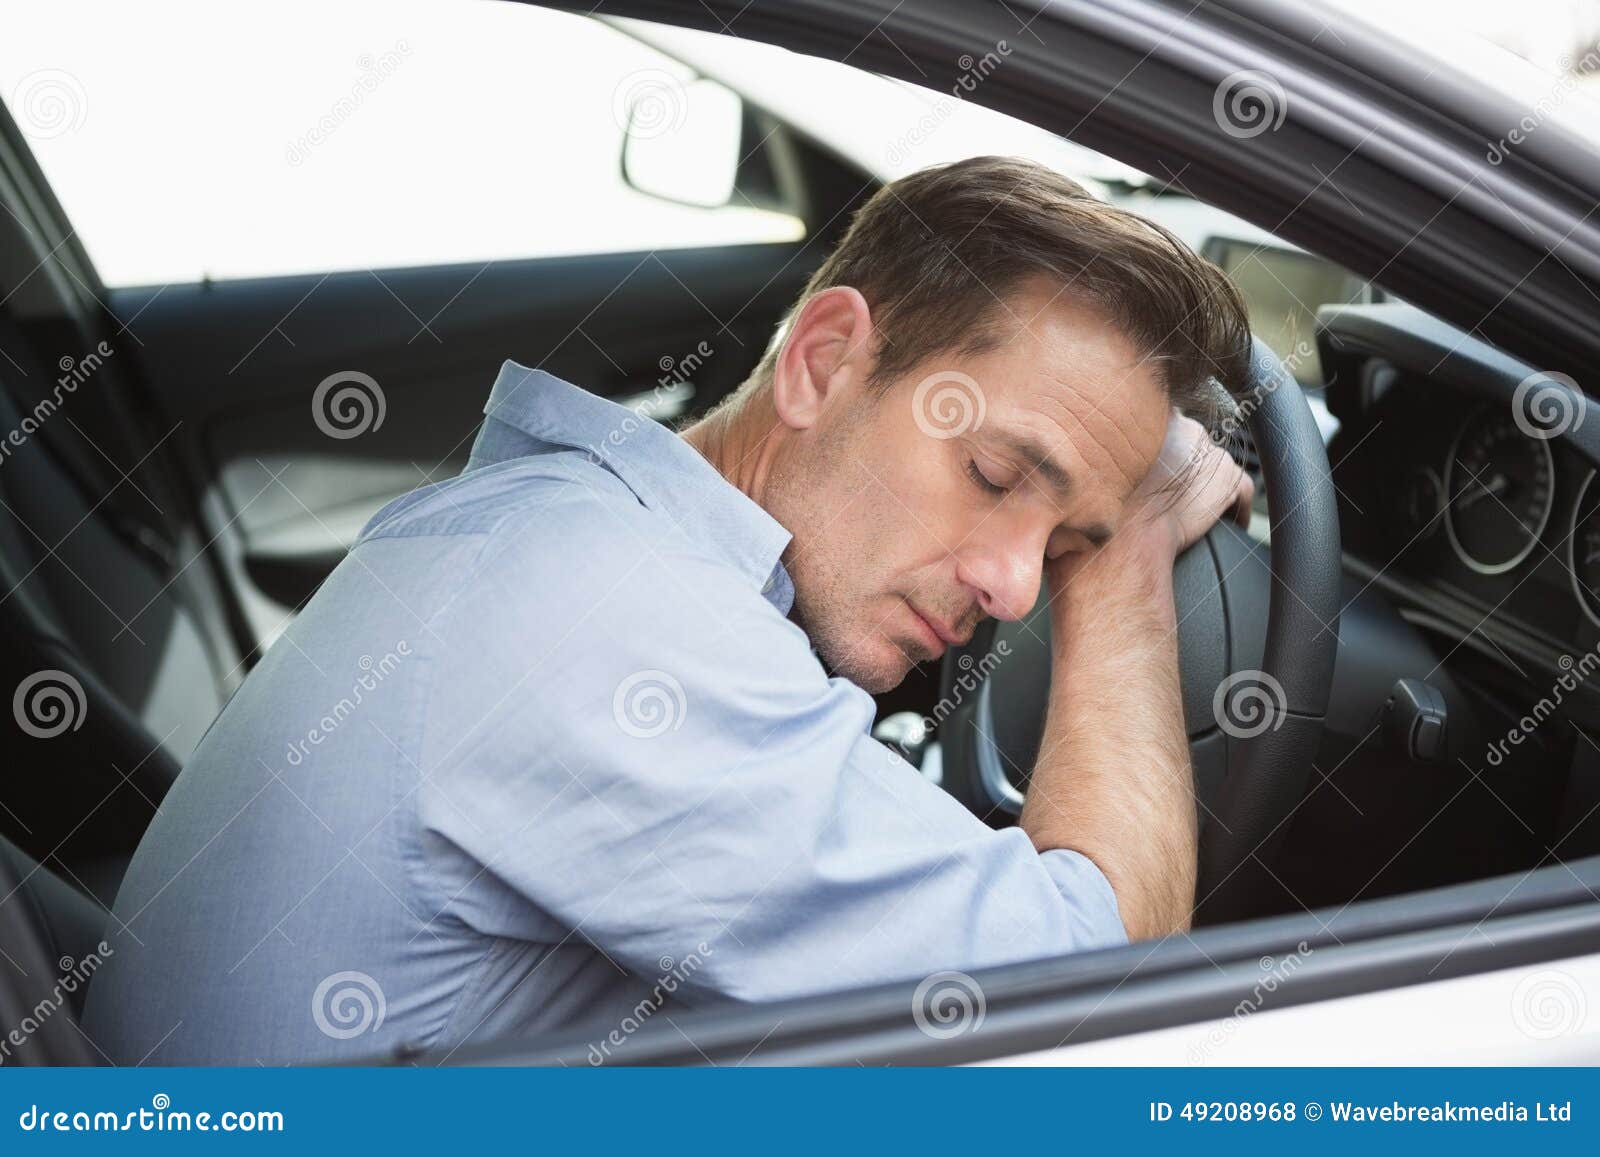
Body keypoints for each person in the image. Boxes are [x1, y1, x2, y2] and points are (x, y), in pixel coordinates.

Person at [83, 155, 1253, 1063]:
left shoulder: (563, 529)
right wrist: (1126, 559)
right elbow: (1091, 1005)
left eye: (1064, 546)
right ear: (823, 359)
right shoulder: (613, 623)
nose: (1012, 585)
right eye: (996, 478)